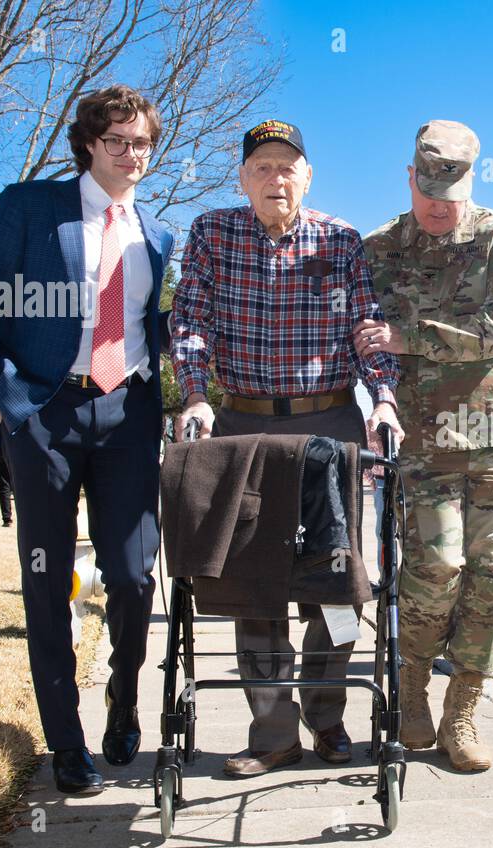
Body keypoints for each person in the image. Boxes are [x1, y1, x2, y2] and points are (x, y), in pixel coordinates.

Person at [0, 85, 175, 794]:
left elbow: (157, 330)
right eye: (117, 141)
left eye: (141, 143)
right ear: (88, 143)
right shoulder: (29, 208)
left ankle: (122, 695)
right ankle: (66, 743)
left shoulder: (159, 235)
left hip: (129, 415)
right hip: (44, 414)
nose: (131, 155)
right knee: (48, 579)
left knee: (135, 576)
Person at [172, 119, 402, 778]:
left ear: (308, 176)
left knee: (339, 586)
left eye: (288, 166)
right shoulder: (213, 233)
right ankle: (273, 732)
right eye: (263, 167)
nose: (277, 178)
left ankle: (327, 716)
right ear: (244, 178)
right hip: (243, 428)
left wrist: (382, 396)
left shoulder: (340, 240)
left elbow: (367, 328)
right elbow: (191, 320)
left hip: (329, 422)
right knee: (257, 588)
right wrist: (194, 395)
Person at [358, 120, 493, 772]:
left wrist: (411, 337)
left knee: (491, 580)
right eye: (428, 189)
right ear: (409, 177)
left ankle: (463, 712)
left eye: (452, 191)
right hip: (426, 441)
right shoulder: (378, 250)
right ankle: (412, 692)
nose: (439, 204)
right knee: (436, 570)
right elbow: (355, 331)